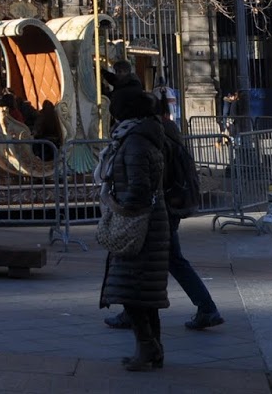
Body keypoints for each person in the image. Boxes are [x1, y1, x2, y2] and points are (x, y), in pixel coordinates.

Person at [106, 96, 223, 333]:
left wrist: (128, 209)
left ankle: (206, 307)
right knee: (160, 259)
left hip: (156, 209)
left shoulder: (149, 138)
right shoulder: (164, 131)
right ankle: (133, 311)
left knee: (160, 259)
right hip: (165, 206)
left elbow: (146, 179)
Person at [97, 86, 170, 372]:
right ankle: (153, 349)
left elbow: (138, 186)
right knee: (143, 293)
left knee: (131, 291)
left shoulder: (135, 141)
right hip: (151, 221)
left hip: (139, 223)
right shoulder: (143, 134)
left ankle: (147, 347)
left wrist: (121, 211)